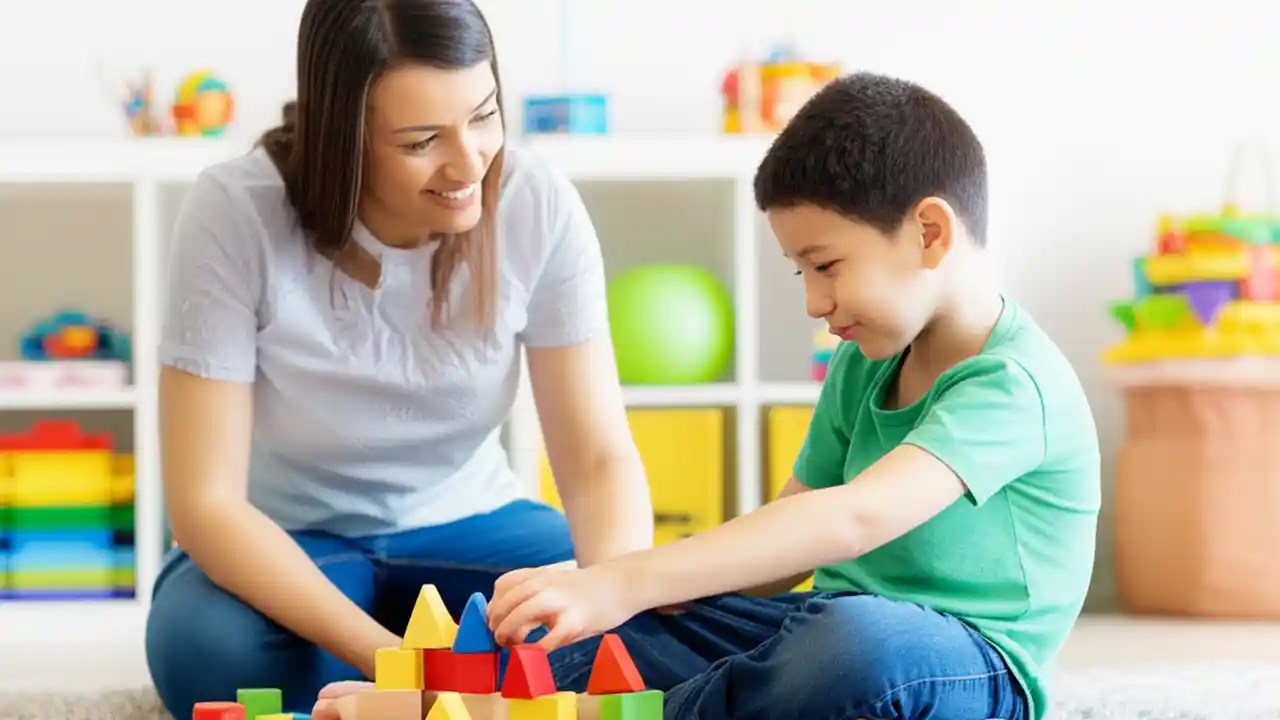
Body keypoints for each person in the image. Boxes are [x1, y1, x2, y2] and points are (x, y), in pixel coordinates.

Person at [480, 72, 1102, 720]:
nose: (814, 302)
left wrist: (625, 581)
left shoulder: (1012, 384)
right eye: (800, 272)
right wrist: (628, 591)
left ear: (929, 232)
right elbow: (784, 545)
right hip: (819, 625)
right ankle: (536, 696)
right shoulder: (864, 362)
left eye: (826, 266)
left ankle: (629, 712)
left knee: (854, 649)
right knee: (620, 623)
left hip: (963, 667)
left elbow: (856, 517)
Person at [143, 0, 655, 715]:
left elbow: (601, 461)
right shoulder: (235, 212)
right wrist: (397, 662)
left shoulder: (541, 206)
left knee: (653, 622)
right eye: (421, 141)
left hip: (472, 520)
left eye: (483, 115)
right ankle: (439, 681)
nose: (470, 161)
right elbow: (206, 505)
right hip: (292, 538)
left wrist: (613, 604)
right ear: (343, 138)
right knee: (211, 653)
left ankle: (419, 686)